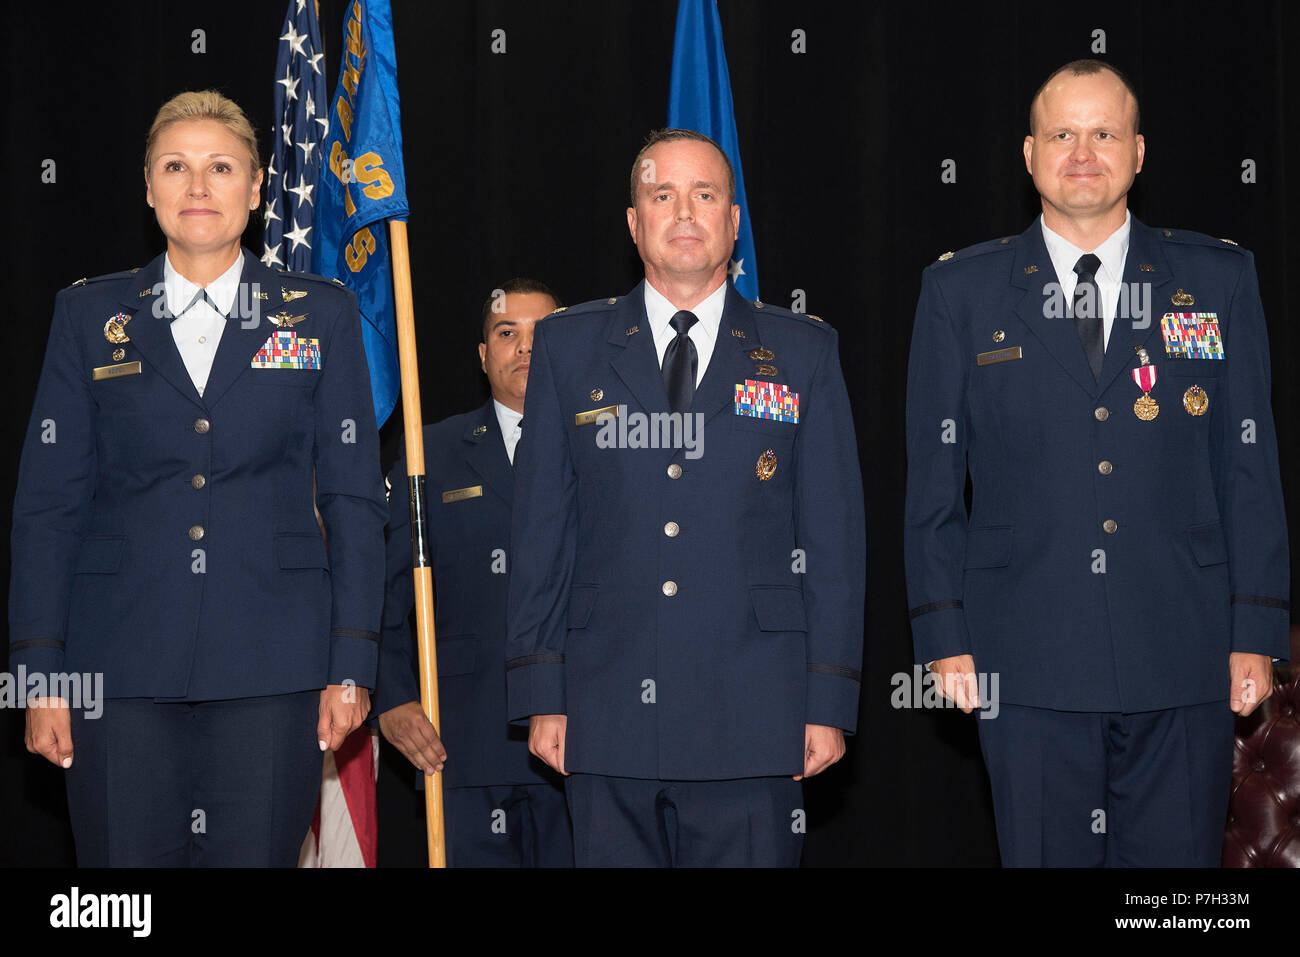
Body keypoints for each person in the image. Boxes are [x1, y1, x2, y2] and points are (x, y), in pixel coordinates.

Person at [904, 60, 1290, 867]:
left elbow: (1248, 465)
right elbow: (934, 484)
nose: (1084, 152)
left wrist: (1255, 626)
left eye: (1105, 133)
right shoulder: (960, 292)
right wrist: (943, 634)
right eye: (1063, 134)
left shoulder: (1218, 280)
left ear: (1139, 152)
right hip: (1026, 656)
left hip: (1182, 649)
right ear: (1029, 153)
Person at [10, 90, 386, 866]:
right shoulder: (89, 317)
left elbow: (352, 501)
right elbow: (49, 505)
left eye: (221, 168)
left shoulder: (319, 315)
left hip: (274, 665)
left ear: (256, 189)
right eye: (175, 167)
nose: (198, 186)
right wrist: (37, 672)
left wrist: (351, 662)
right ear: (148, 189)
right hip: (116, 666)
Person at [505, 129, 866, 867]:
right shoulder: (570, 348)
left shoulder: (803, 351)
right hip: (605, 710)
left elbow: (833, 539)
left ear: (735, 221)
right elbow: (542, 527)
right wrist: (542, 688)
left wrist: (828, 702)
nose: (684, 211)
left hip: (756, 712)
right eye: (661, 195)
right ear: (634, 223)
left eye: (705, 194)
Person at [376, 278, 573, 867]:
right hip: (461, 742)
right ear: (484, 356)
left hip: (585, 742)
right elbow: (383, 595)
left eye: (543, 335)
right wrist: (394, 698)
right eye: (506, 333)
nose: (525, 349)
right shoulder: (427, 454)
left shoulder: (609, 446)